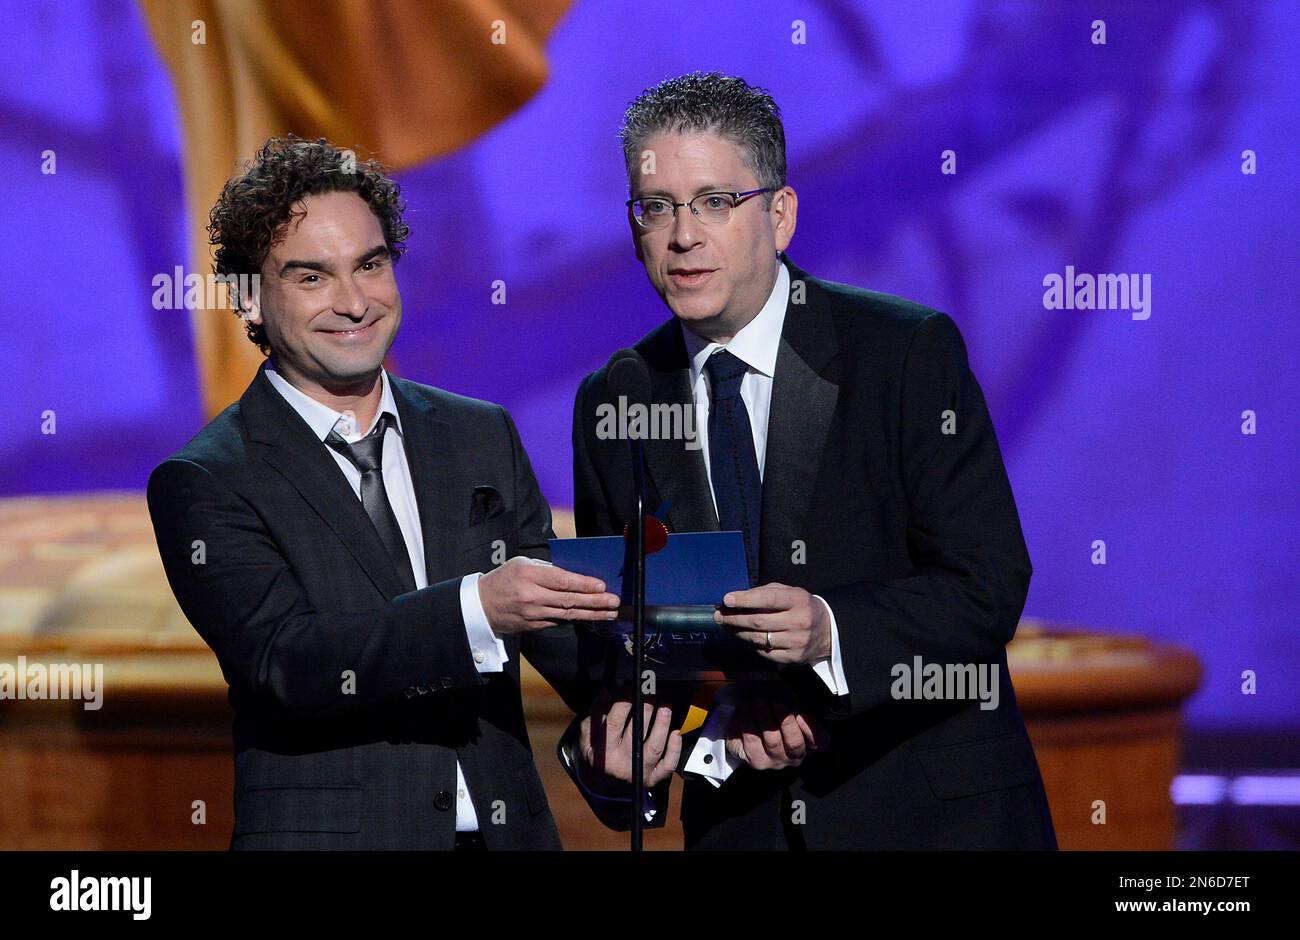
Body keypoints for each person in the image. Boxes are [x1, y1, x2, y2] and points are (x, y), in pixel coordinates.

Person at [569, 73, 1058, 850]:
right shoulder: (617, 398)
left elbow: (987, 583)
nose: (682, 235)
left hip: (928, 819)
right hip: (743, 825)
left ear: (781, 215)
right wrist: (686, 736)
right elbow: (636, 649)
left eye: (714, 202)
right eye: (656, 207)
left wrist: (831, 635)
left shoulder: (902, 354)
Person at [147, 136, 618, 850]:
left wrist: (647, 705)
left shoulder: (479, 433)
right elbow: (290, 663)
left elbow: (562, 639)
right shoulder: (208, 480)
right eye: (312, 278)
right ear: (248, 298)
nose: (354, 301)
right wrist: (476, 607)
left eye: (370, 264)